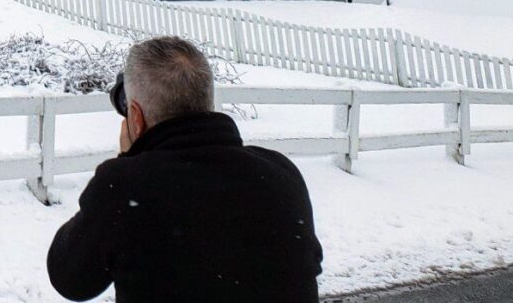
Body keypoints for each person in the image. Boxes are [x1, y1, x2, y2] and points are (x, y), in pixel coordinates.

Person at [46, 36, 322, 302]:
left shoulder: (126, 186)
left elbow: (70, 278)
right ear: (207, 102)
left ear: (136, 118)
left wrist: (126, 162)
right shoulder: (281, 174)